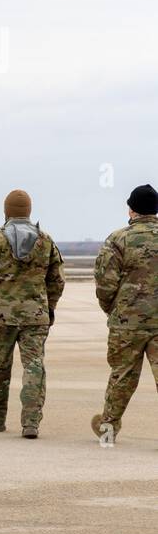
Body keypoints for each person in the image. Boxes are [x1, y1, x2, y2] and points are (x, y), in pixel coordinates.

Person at [0, 190, 64, 439]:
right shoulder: (46, 240)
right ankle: (31, 422)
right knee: (34, 367)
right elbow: (57, 280)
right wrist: (48, 306)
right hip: (35, 315)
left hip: (2, 316)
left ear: (6, 211)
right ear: (29, 211)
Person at [91, 183, 158, 442]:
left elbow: (105, 284)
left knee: (122, 376)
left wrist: (112, 310)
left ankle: (108, 429)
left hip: (127, 322)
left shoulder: (118, 239)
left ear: (131, 210)